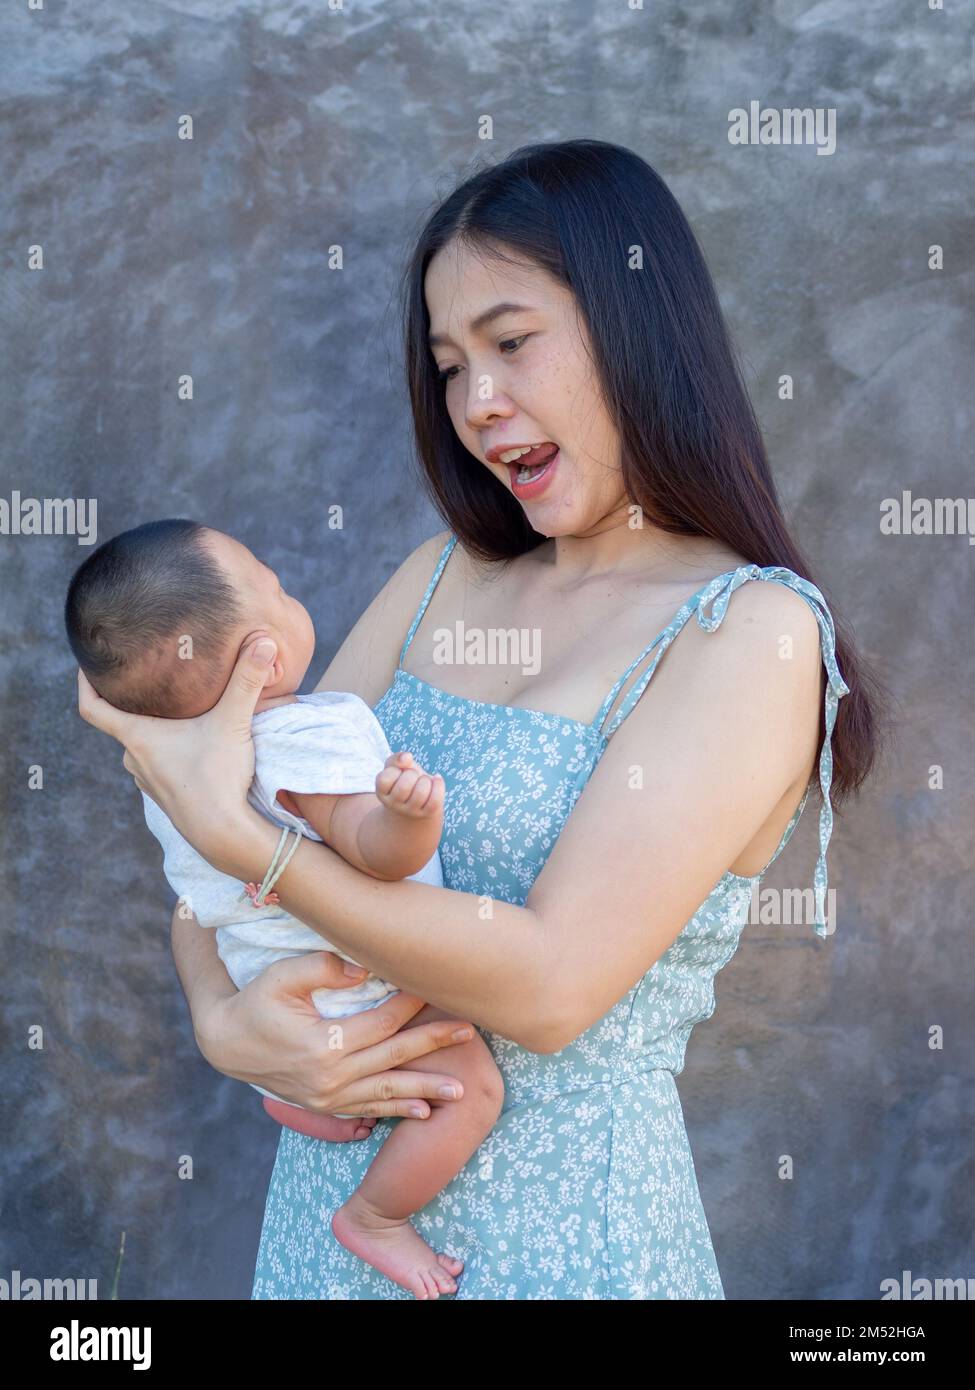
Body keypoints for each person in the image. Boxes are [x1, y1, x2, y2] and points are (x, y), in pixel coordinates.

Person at [78, 138, 885, 1299]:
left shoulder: (748, 629)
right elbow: (214, 888)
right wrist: (220, 1019)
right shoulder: (440, 578)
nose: (477, 402)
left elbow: (549, 987)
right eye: (451, 365)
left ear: (637, 326)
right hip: (324, 1239)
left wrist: (247, 845)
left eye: (511, 343)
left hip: (558, 1250)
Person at [65, 517, 505, 1299]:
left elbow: (195, 902)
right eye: (275, 588)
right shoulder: (306, 734)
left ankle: (301, 1102)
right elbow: (373, 854)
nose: (290, 595)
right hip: (361, 983)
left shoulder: (174, 772)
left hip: (270, 981)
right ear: (260, 657)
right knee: (470, 1088)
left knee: (354, 1071)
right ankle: (374, 1217)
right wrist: (411, 818)